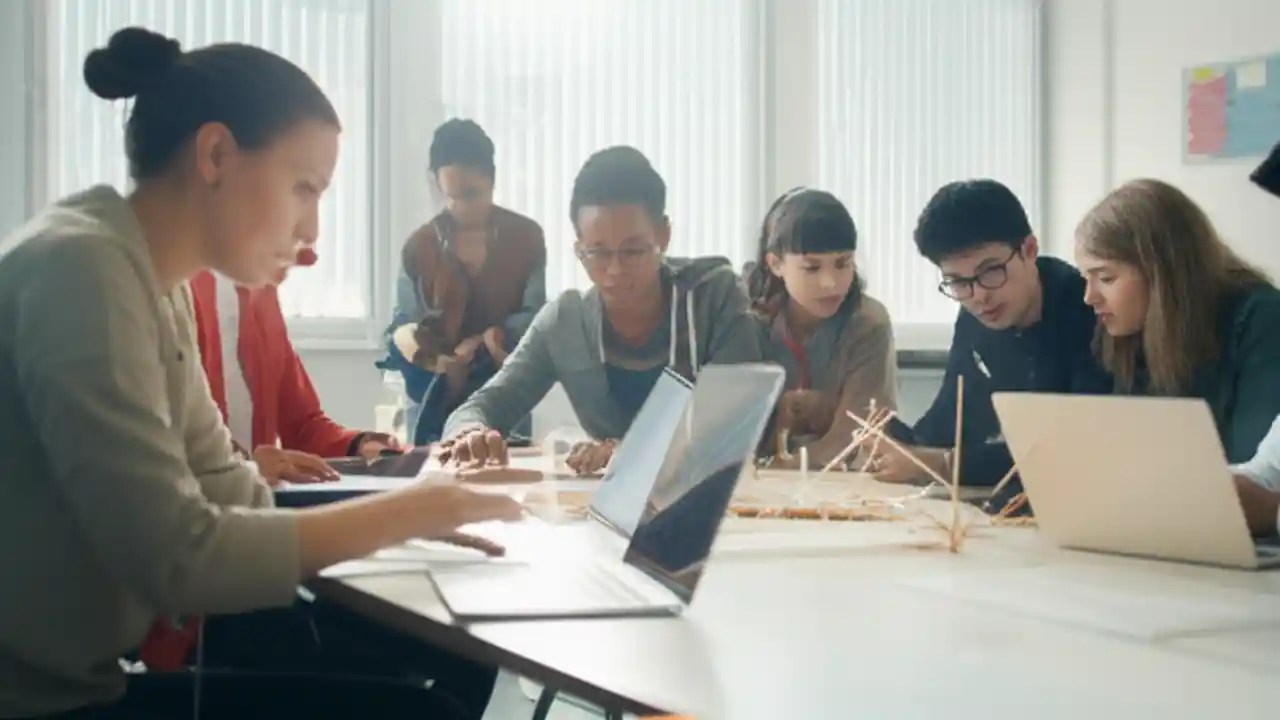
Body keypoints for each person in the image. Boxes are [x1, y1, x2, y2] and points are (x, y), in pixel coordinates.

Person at [0, 27, 518, 719]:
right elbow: (177, 559)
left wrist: (404, 515)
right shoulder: (81, 270)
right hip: (38, 704)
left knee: (458, 653)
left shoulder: (153, 281)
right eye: (304, 188)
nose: (313, 231)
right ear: (215, 154)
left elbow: (226, 485)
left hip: (81, 684)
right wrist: (410, 511)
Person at [441, 146, 762, 472]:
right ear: (578, 248)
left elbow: (735, 417)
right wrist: (471, 433)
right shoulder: (565, 323)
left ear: (664, 235)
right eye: (598, 253)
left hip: (715, 490)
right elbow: (482, 406)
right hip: (611, 497)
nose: (615, 270)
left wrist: (627, 450)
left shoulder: (714, 296)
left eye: (633, 251)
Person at [873, 179, 1110, 493]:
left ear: (1029, 250)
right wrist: (892, 437)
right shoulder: (977, 313)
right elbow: (950, 420)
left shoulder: (1091, 310)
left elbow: (1069, 450)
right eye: (958, 282)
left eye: (990, 271)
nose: (979, 296)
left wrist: (941, 464)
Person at [1075, 178, 1280, 465]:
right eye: (1086, 278)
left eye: (1106, 278)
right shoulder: (1127, 327)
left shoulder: (1262, 319)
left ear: (1162, 273)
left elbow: (1257, 474)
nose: (1089, 297)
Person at [380, 119, 546, 445]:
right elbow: (401, 328)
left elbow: (537, 318)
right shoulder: (419, 247)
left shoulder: (525, 238)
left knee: (506, 475)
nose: (459, 208)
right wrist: (440, 364)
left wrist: (490, 339)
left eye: (471, 195)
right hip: (434, 402)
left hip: (503, 398)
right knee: (432, 476)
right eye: (450, 196)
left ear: (492, 179)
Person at [190, 251, 400, 485]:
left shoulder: (261, 294)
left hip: (255, 501)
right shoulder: (173, 290)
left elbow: (302, 428)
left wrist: (359, 446)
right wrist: (247, 468)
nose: (310, 257)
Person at [746, 188, 897, 468]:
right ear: (776, 263)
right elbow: (733, 435)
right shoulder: (745, 319)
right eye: (812, 268)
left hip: (841, 478)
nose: (831, 283)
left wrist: (785, 467)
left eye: (843, 264)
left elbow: (855, 439)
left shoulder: (868, 323)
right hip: (754, 476)